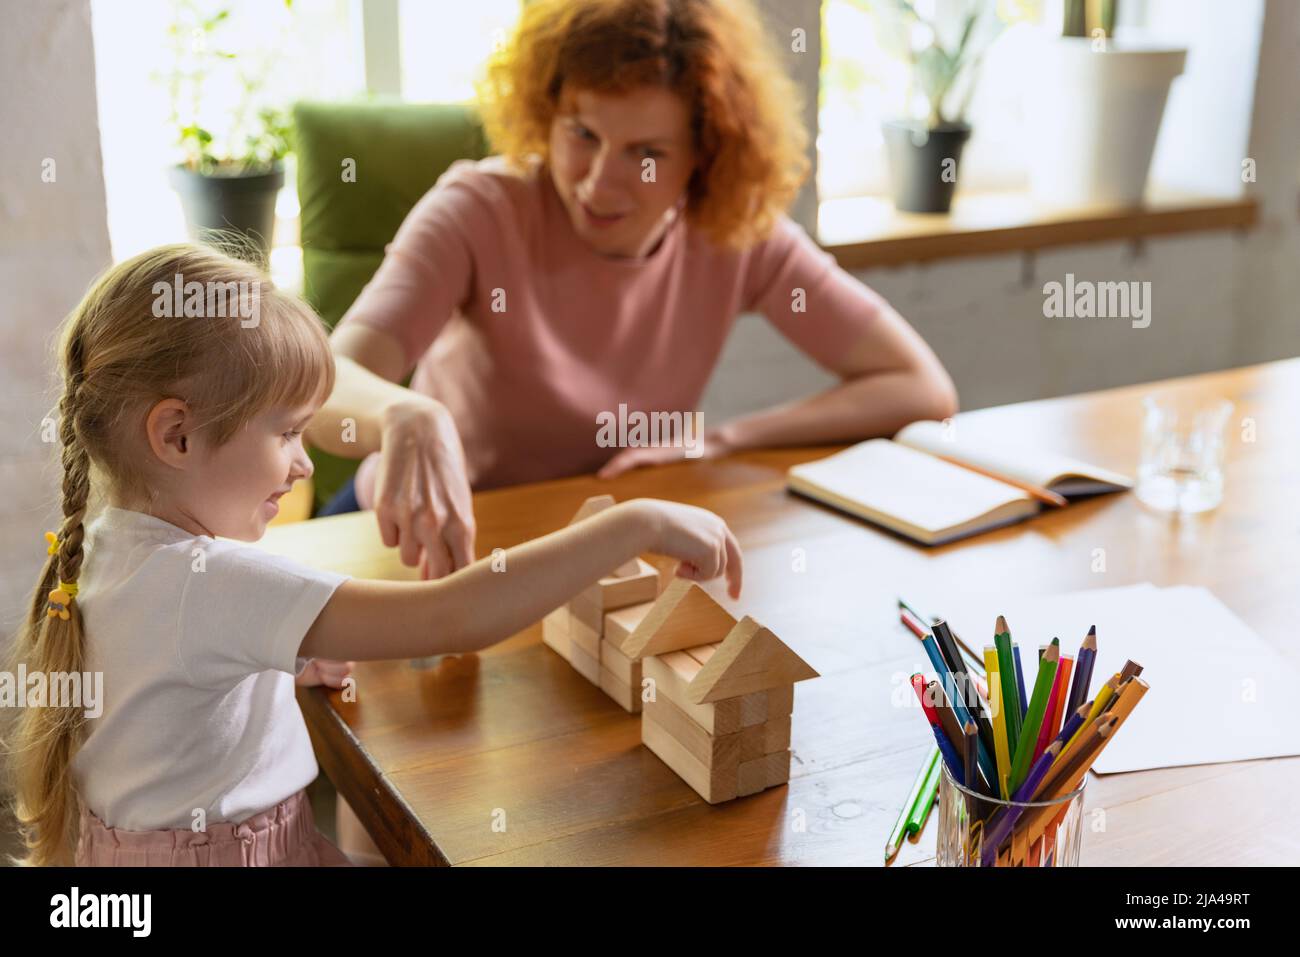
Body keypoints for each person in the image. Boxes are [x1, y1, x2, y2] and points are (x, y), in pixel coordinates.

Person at [1, 244, 741, 866]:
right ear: (177, 436)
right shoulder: (214, 581)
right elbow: (458, 615)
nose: (301, 464)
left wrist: (280, 656)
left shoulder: (103, 544)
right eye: (287, 432)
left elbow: (176, 692)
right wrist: (634, 524)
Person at [308, 0, 958, 580]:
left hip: (597, 547)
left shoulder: (732, 233)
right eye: (582, 133)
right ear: (547, 111)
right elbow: (325, 386)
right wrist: (404, 414)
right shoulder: (478, 209)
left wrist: (723, 438)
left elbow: (920, 388)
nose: (598, 182)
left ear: (704, 155)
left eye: (644, 153)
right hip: (418, 537)